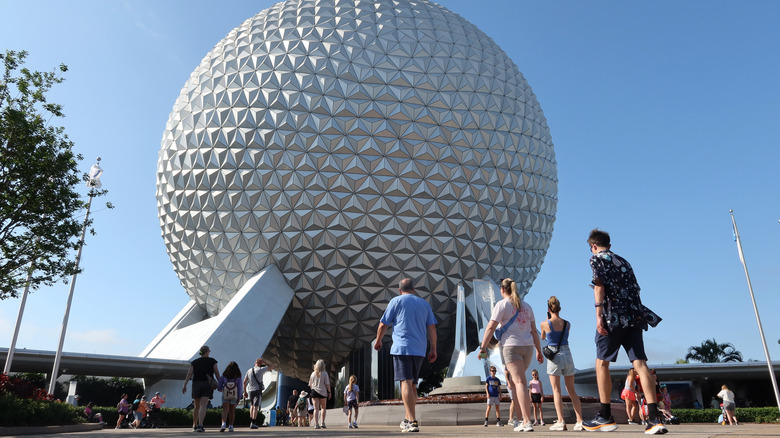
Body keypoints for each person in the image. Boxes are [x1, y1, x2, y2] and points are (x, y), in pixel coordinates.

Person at [582, 229, 666, 434]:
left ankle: (605, 416)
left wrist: (599, 315)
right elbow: (636, 289)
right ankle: (654, 419)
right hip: (634, 316)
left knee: (602, 363)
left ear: (593, 246)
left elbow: (599, 286)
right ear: (609, 245)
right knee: (640, 363)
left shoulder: (597, 260)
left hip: (613, 317)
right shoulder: (625, 262)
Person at [479, 278, 543, 432]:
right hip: (528, 348)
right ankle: (521, 420)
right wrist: (539, 351)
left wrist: (483, 347)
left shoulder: (502, 305)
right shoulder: (527, 306)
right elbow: (534, 331)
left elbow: (490, 327)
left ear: (502, 289)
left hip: (511, 347)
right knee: (516, 383)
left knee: (520, 382)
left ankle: (527, 421)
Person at [375, 277, 438, 433]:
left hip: (402, 348)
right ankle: (407, 418)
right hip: (419, 350)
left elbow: (383, 324)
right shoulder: (424, 304)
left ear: (399, 290)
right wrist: (433, 349)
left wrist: (378, 341)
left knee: (405, 383)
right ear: (413, 289)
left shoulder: (396, 301)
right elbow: (432, 329)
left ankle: (412, 421)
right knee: (413, 385)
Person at [539, 296, 585, 431]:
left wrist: (547, 319)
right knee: (572, 390)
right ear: (559, 308)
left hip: (554, 356)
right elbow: (565, 336)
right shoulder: (567, 324)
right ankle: (580, 421)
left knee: (556, 390)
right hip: (567, 354)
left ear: (548, 309)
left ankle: (561, 421)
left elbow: (543, 337)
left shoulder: (545, 323)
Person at [183, 345, 221, 432]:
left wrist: (184, 384)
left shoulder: (194, 362)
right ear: (207, 352)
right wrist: (220, 383)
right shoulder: (212, 361)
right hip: (207, 384)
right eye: (209, 351)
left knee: (196, 406)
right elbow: (216, 372)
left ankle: (194, 424)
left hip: (196, 384)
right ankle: (200, 425)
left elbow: (189, 373)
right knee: (203, 405)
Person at [243, 357, 271, 429]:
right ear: (261, 363)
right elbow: (271, 367)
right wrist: (265, 362)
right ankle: (253, 422)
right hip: (257, 390)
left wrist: (245, 392)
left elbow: (244, 382)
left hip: (250, 390)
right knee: (256, 406)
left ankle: (250, 421)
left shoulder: (249, 371)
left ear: (255, 363)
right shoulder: (261, 370)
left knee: (252, 406)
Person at [217, 361, 243, 432]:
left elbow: (219, 386)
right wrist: (239, 397)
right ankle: (231, 426)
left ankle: (223, 424)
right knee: (232, 411)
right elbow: (240, 388)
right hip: (234, 395)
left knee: (225, 410)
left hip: (225, 394)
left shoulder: (224, 376)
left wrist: (222, 389)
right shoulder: (238, 377)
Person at [308, 358, 332, 429]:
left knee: (315, 409)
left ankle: (316, 424)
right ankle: (323, 423)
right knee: (323, 408)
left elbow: (310, 384)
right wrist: (329, 392)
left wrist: (313, 389)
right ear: (323, 365)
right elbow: (327, 384)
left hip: (314, 392)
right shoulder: (325, 373)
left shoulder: (313, 374)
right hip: (323, 392)